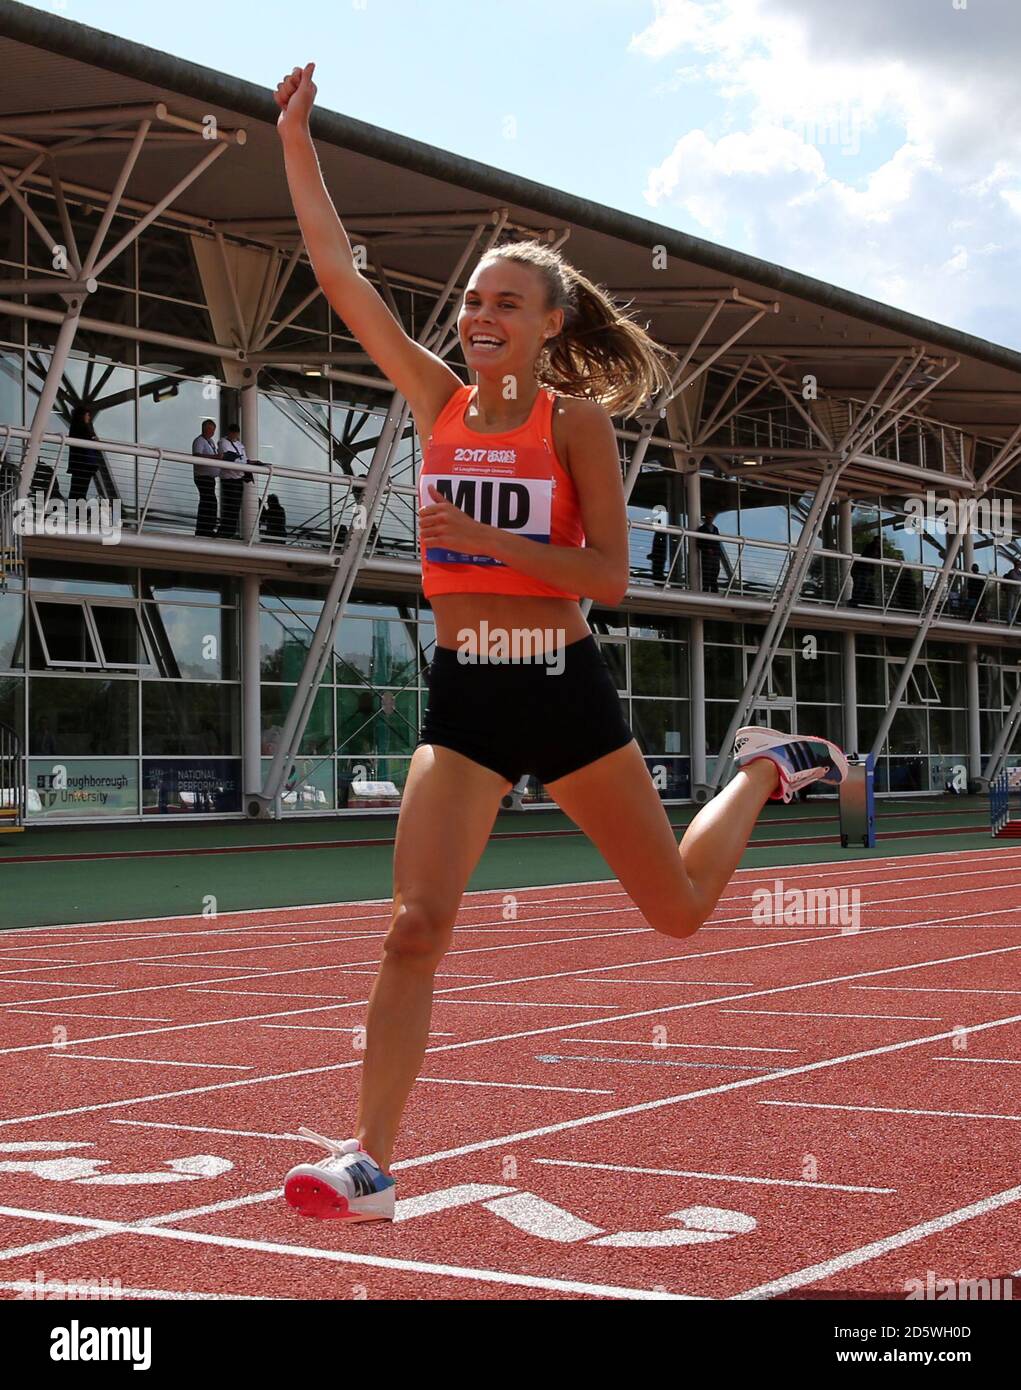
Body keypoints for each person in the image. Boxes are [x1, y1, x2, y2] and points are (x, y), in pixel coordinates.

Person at [272, 61, 851, 1223]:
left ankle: (764, 765)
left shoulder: (572, 422)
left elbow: (609, 582)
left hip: (560, 685)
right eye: (470, 301)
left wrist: (488, 535)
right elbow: (339, 275)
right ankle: (370, 1158)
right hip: (466, 696)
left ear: (548, 326)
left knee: (678, 911)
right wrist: (295, 136)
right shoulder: (433, 398)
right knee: (412, 926)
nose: (475, 318)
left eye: (501, 304)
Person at [216, 423, 247, 539]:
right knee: (229, 506)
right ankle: (224, 531)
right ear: (229, 432)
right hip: (229, 478)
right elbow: (228, 457)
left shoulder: (239, 444)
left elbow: (244, 459)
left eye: (236, 433)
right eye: (232, 433)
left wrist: (239, 460)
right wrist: (238, 460)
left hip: (238, 478)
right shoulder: (223, 442)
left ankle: (230, 531)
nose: (234, 435)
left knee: (236, 506)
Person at [67, 405, 104, 501]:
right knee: (80, 491)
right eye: (87, 415)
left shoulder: (77, 428)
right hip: (85, 464)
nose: (88, 417)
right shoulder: (83, 429)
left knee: (77, 491)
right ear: (82, 416)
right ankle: (77, 512)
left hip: (81, 464)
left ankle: (76, 512)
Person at [191, 418, 219, 537]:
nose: (211, 432)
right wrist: (215, 458)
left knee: (209, 501)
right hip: (202, 476)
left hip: (210, 477)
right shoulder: (199, 441)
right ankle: (204, 528)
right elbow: (197, 455)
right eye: (210, 430)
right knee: (208, 501)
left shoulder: (211, 441)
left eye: (213, 430)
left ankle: (207, 527)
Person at [696, 511, 723, 592]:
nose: (710, 519)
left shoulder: (715, 529)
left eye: (711, 518)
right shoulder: (701, 529)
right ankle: (706, 592)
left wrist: (717, 553)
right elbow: (699, 543)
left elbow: (718, 542)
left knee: (714, 575)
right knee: (706, 576)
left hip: (714, 556)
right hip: (707, 556)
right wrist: (707, 549)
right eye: (708, 518)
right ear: (705, 519)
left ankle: (715, 592)